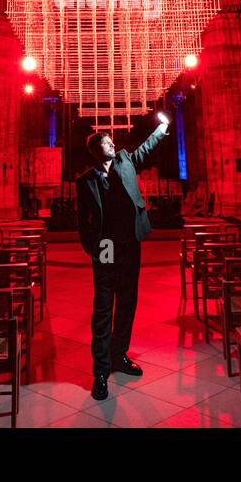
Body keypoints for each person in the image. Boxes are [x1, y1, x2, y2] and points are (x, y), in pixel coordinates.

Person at [75, 115, 170, 400]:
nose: (111, 142)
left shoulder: (126, 160)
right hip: (105, 248)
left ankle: (119, 356)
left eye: (111, 140)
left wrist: (161, 129)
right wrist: (92, 247)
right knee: (103, 309)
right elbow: (83, 220)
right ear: (95, 149)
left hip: (130, 244)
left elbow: (146, 148)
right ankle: (100, 371)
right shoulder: (85, 181)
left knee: (127, 302)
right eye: (106, 141)